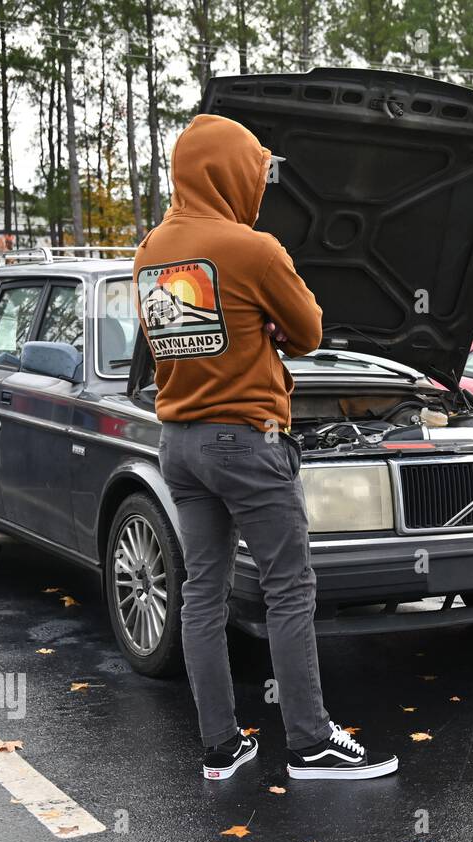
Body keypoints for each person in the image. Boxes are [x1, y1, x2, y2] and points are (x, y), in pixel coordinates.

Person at [135, 114, 398, 781]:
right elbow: (308, 330)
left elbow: (186, 338)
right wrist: (267, 329)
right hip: (245, 444)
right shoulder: (253, 248)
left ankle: (220, 746)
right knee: (287, 587)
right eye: (256, 169)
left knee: (203, 592)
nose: (260, 183)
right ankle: (310, 743)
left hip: (179, 444)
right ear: (230, 172)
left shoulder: (149, 253)